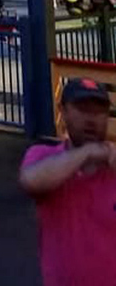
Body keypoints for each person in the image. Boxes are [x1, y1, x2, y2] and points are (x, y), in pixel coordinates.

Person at [19, 77, 116, 286]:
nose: (91, 119)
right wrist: (87, 153)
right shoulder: (44, 155)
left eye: (99, 111)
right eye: (82, 109)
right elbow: (31, 181)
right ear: (62, 110)